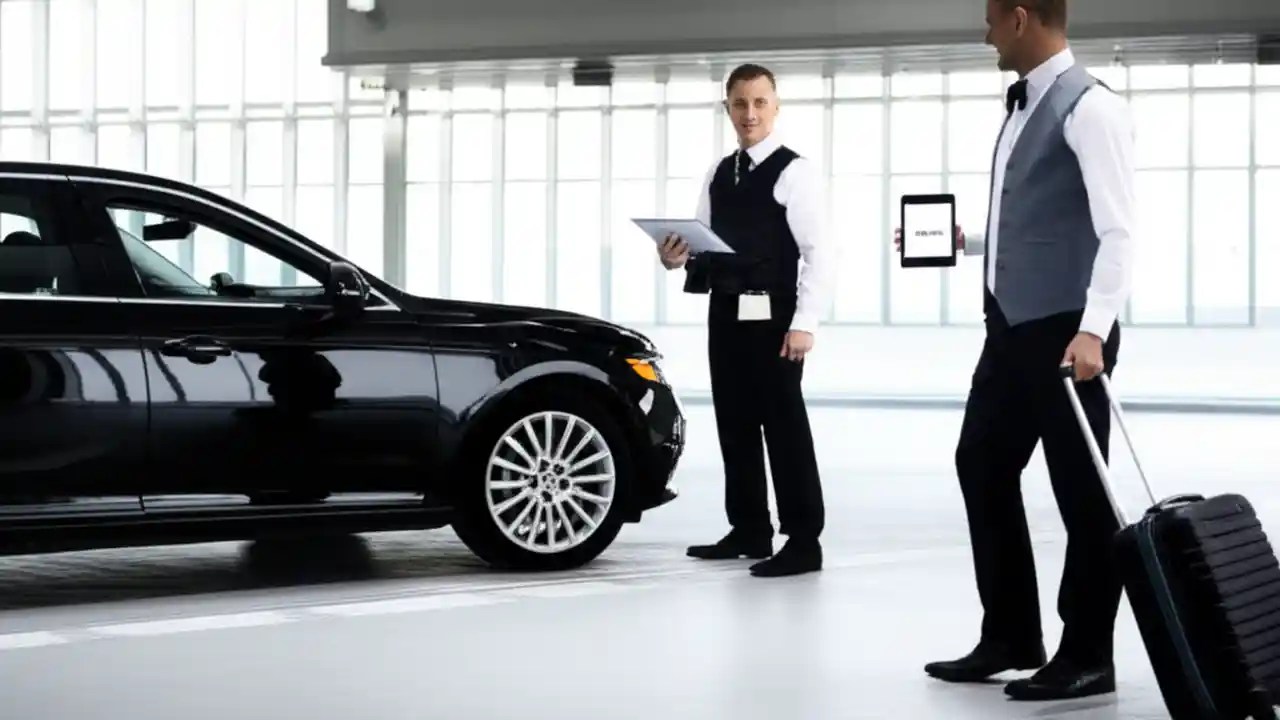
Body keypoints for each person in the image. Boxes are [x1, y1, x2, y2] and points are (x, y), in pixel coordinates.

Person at [901, 0, 1137, 702]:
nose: (984, 31)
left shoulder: (1091, 108)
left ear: (1020, 17)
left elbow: (1119, 232)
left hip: (1068, 331)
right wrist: (963, 245)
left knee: (1082, 495)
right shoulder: (1020, 108)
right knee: (981, 461)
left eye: (989, 18)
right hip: (1009, 328)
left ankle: (1090, 654)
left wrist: (1093, 329)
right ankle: (1011, 635)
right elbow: (1037, 217)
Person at [657, 63, 833, 578]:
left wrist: (806, 323)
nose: (749, 113)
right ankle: (750, 528)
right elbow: (702, 243)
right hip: (726, 314)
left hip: (776, 319)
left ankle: (804, 539)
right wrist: (675, 257)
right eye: (740, 104)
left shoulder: (795, 172)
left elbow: (820, 252)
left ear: (775, 108)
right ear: (727, 108)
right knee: (734, 423)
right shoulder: (719, 172)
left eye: (759, 103)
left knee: (783, 428)